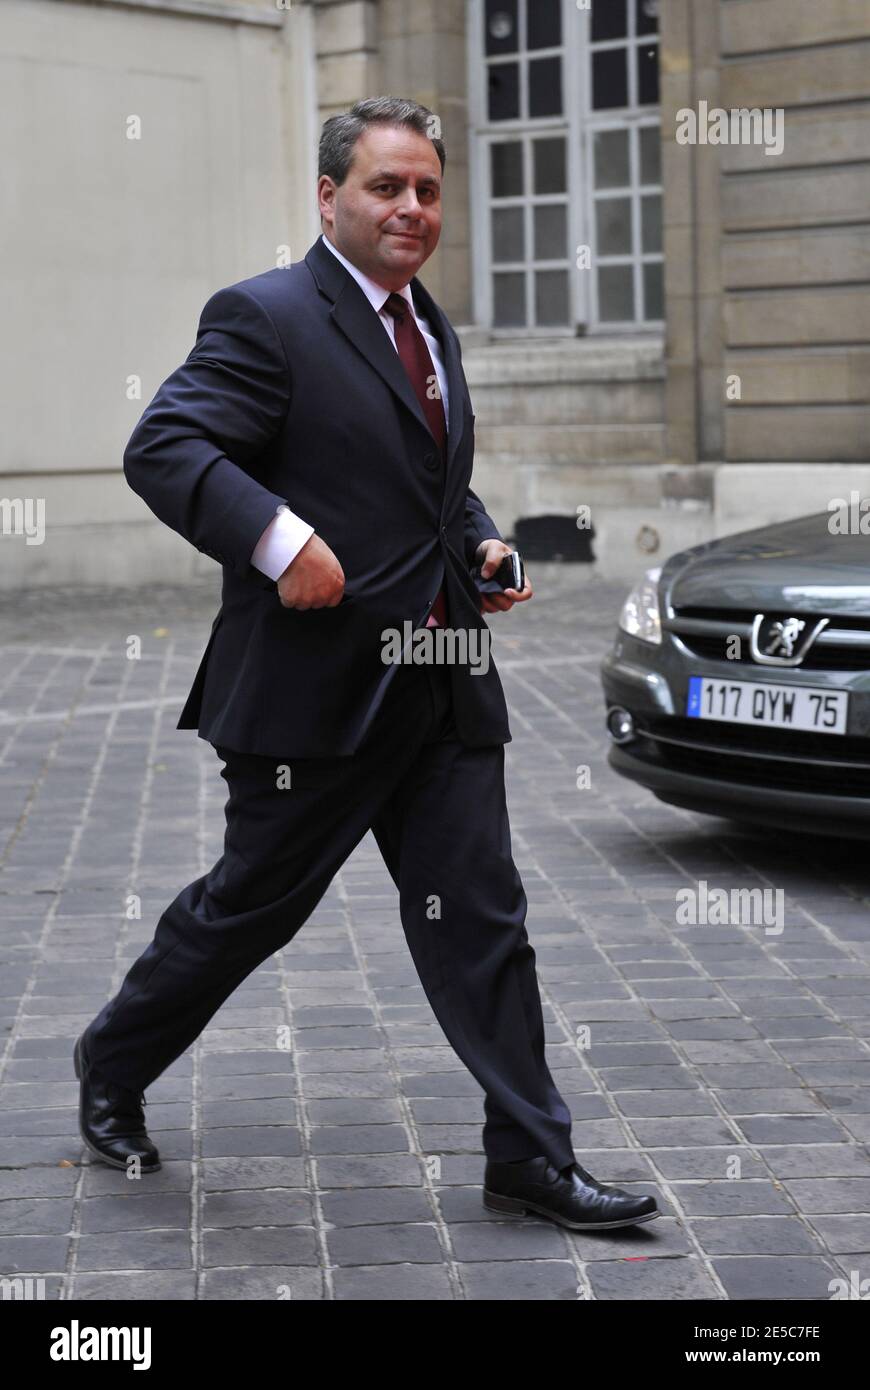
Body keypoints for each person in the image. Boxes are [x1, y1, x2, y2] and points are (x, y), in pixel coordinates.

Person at [76, 97, 658, 1233]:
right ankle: (113, 1056)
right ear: (329, 196)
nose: (412, 208)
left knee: (484, 915)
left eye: (428, 190)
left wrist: (480, 542)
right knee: (250, 909)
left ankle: (529, 1156)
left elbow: (425, 484)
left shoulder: (429, 326)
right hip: (315, 698)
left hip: (439, 675)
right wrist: (282, 541)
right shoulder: (265, 315)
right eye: (388, 187)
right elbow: (166, 445)